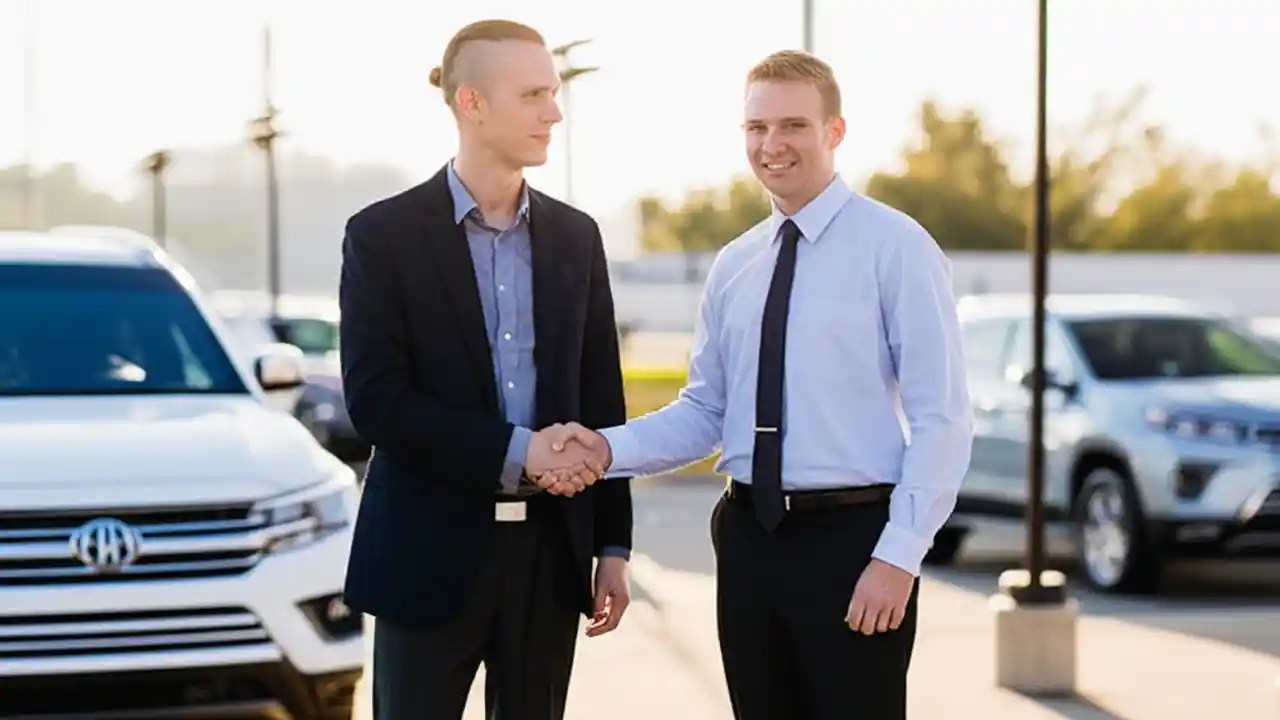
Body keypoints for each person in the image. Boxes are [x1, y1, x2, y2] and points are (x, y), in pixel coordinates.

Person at [540, 50, 973, 719]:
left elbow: (942, 418)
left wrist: (900, 556)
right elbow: (706, 410)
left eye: (793, 125)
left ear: (835, 131)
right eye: (756, 128)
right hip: (748, 541)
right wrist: (602, 450)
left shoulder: (898, 248)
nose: (772, 145)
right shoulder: (736, 263)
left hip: (853, 543)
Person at [337, 19, 632, 720]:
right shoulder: (381, 236)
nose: (553, 111)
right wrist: (515, 450)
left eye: (554, 92)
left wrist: (613, 544)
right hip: (425, 554)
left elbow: (602, 399)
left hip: (550, 555)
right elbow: (377, 402)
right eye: (533, 94)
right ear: (472, 103)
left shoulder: (576, 236)